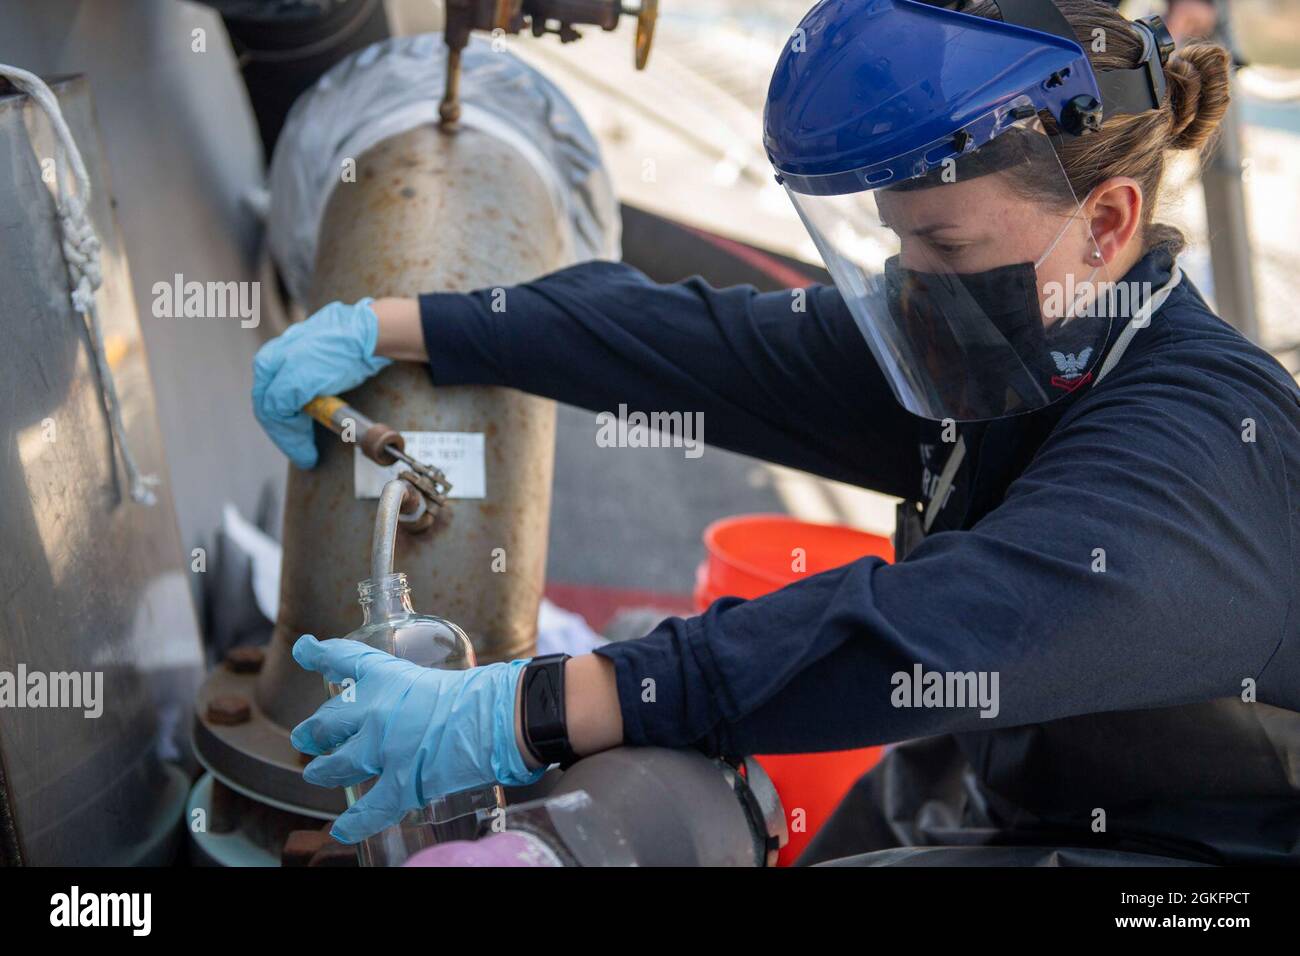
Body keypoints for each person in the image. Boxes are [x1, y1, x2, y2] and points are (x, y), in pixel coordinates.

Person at [253, 0, 1300, 865]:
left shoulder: (1202, 448)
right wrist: (400, 324)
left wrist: (522, 710)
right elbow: (704, 344)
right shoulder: (1026, 340)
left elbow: (927, 632)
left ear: (1107, 224)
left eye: (941, 242)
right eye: (894, 240)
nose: (910, 283)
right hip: (1037, 787)